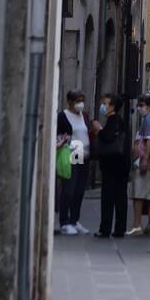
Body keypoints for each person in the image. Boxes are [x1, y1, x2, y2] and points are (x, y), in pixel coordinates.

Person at [91, 93, 129, 239]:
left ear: (112, 106)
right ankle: (120, 229)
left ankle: (105, 228)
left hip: (112, 164)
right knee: (120, 198)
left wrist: (98, 130)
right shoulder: (121, 121)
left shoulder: (112, 120)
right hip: (122, 164)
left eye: (105, 103)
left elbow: (107, 137)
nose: (103, 106)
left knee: (108, 198)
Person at [56, 90, 92, 234]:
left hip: (85, 152)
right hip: (73, 151)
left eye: (82, 100)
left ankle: (74, 219)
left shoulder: (84, 116)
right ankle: (64, 221)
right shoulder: (63, 116)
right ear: (70, 101)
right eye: (77, 101)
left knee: (79, 189)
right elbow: (60, 136)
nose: (80, 104)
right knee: (69, 188)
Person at [129, 93, 150, 236]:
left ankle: (137, 224)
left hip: (147, 160)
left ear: (149, 107)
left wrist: (143, 159)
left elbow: (149, 140)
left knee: (139, 194)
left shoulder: (148, 119)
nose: (138, 108)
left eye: (141, 105)